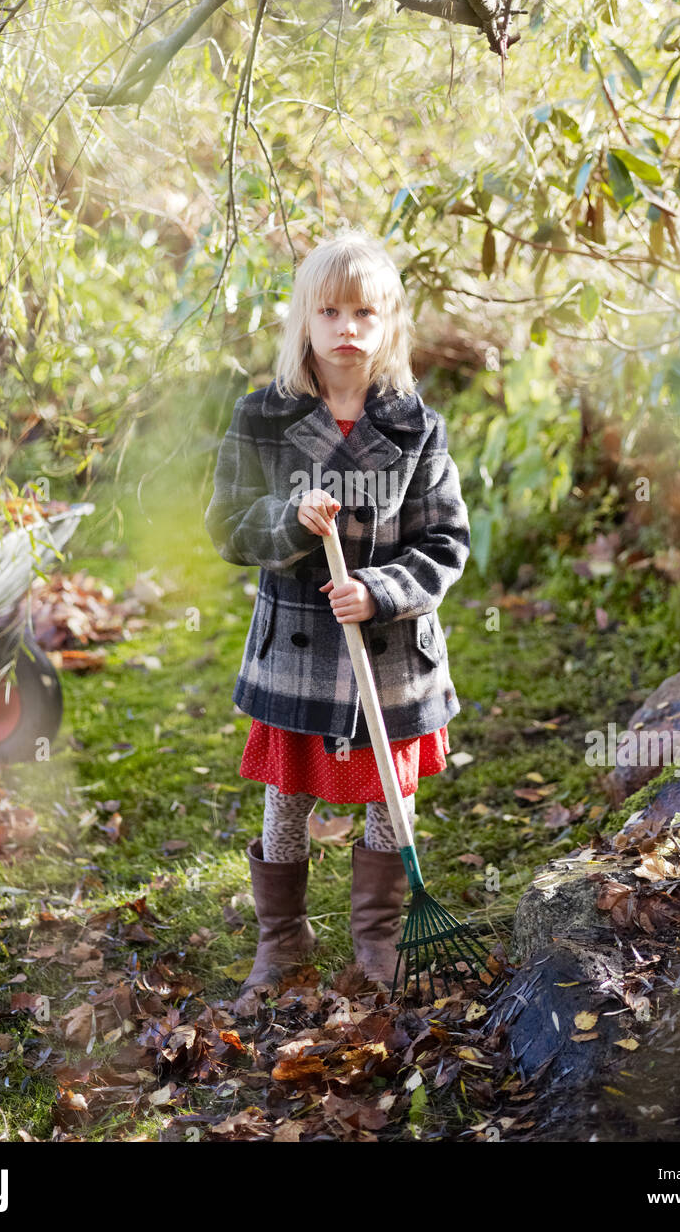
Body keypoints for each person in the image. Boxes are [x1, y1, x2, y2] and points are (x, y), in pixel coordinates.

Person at [204, 229, 470, 993]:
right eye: (329, 311)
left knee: (391, 787)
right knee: (287, 793)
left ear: (388, 324)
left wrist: (381, 590)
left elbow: (446, 540)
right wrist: (290, 518)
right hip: (296, 645)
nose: (346, 327)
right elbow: (225, 522)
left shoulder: (416, 426)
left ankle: (378, 938)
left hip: (388, 648)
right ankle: (281, 942)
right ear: (304, 322)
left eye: (364, 311)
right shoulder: (261, 416)